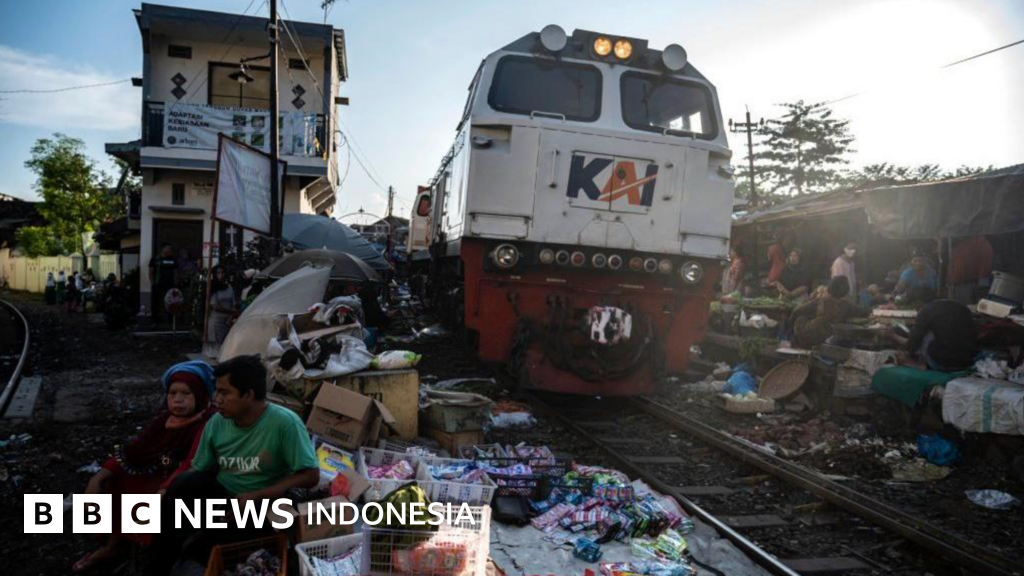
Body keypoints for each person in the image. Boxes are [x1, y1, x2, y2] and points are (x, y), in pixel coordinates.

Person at [153, 355, 319, 573]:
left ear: (248, 395)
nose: (216, 400)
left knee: (225, 545)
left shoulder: (284, 423)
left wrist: (258, 496)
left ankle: (208, 544)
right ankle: (160, 563)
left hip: (264, 504)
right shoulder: (217, 423)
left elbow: (311, 476)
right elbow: (200, 469)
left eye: (224, 393)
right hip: (225, 498)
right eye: (216, 391)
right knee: (183, 486)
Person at [73, 361, 215, 572]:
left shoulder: (208, 422)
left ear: (201, 395)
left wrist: (165, 487)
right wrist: (101, 475)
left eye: (186, 393)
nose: (177, 399)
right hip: (157, 470)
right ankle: (113, 544)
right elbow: (136, 449)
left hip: (182, 479)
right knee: (116, 480)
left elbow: (192, 462)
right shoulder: (164, 420)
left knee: (150, 493)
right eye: (172, 393)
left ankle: (145, 545)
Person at [891, 287, 976, 372]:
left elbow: (912, 344)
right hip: (967, 361)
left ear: (917, 303)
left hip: (943, 364)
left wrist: (891, 335)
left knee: (925, 333)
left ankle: (921, 365)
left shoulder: (926, 311)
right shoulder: (959, 306)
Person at [789, 276, 862, 348]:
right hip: (830, 335)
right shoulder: (847, 305)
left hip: (811, 335)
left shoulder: (821, 301)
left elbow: (796, 311)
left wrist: (790, 323)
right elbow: (859, 311)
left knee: (801, 318)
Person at [947, 235, 993, 305]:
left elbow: (985, 270)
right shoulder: (961, 244)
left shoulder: (982, 244)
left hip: (968, 288)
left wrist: (982, 289)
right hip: (953, 287)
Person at [206, 265, 236, 346]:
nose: (221, 275)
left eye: (222, 273)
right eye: (218, 273)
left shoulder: (229, 287)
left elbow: (233, 303)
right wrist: (231, 311)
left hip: (228, 321)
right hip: (216, 321)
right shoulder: (212, 288)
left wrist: (231, 316)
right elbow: (214, 306)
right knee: (216, 345)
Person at [150, 243, 177, 324]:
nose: (169, 250)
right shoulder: (155, 259)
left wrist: (175, 283)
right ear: (163, 249)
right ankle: (155, 321)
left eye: (170, 249)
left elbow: (176, 272)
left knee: (170, 302)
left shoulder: (172, 259)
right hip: (158, 284)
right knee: (156, 303)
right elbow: (151, 272)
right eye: (168, 248)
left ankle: (170, 321)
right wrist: (152, 282)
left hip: (169, 285)